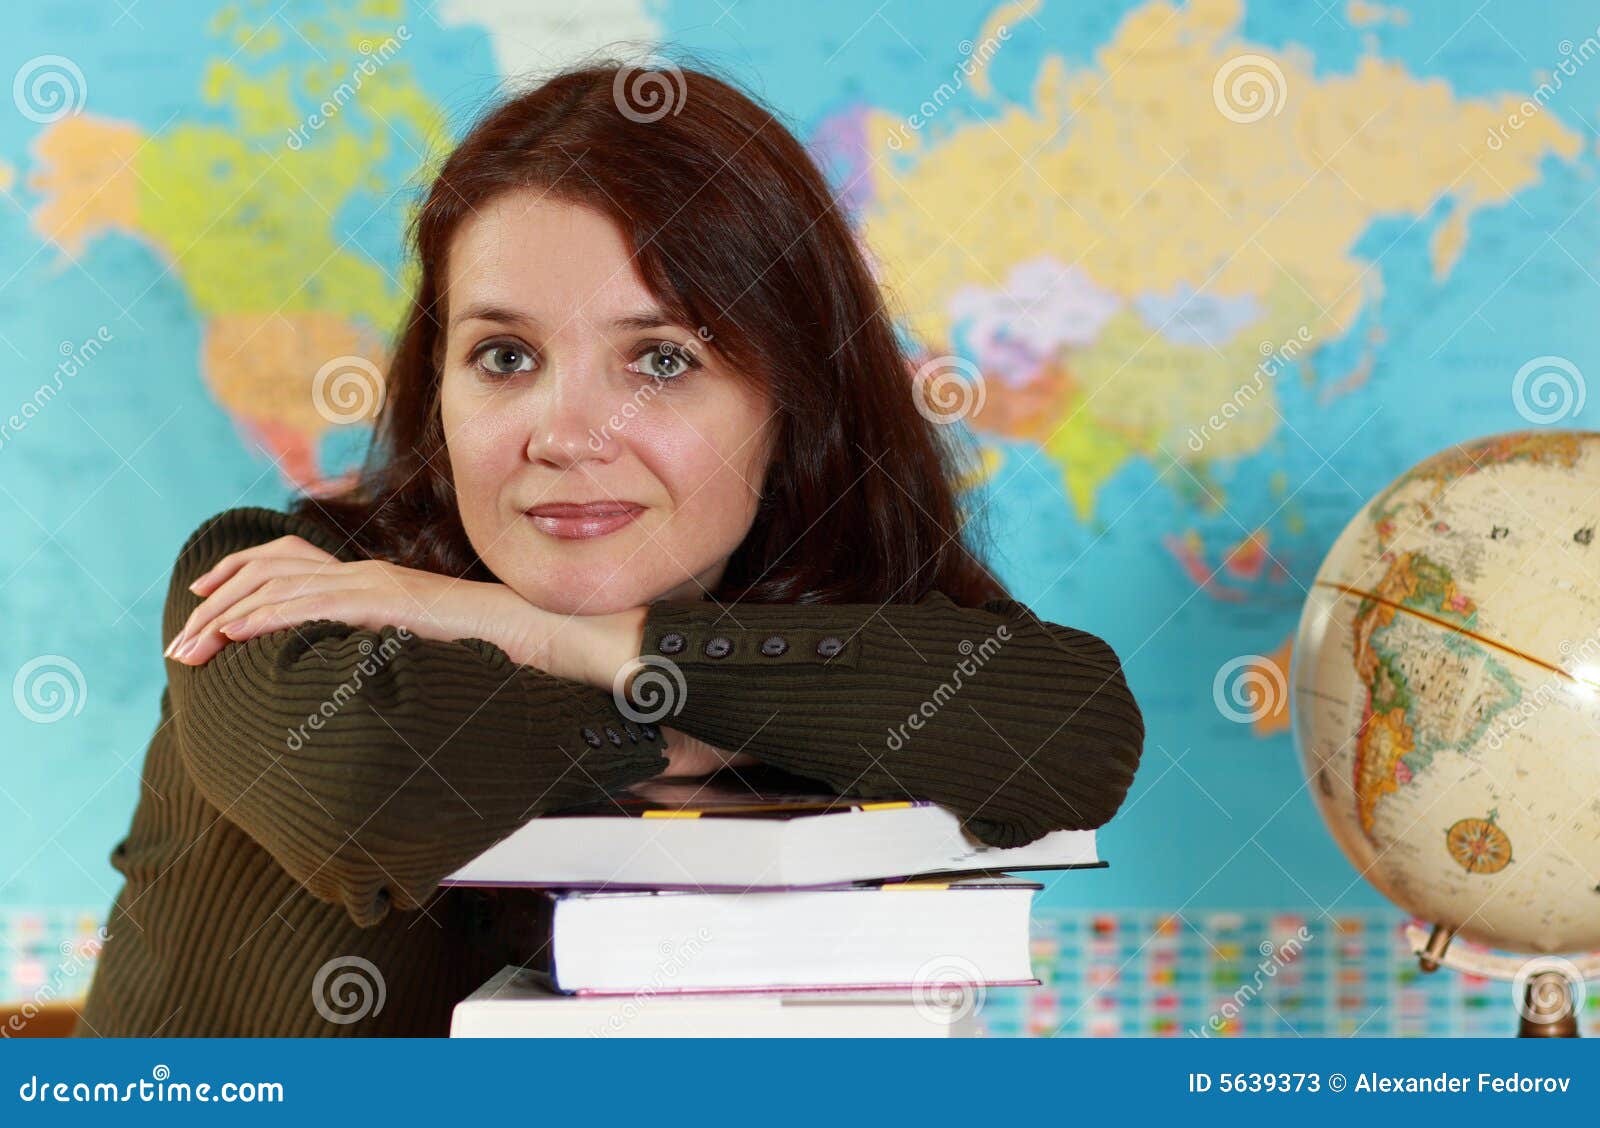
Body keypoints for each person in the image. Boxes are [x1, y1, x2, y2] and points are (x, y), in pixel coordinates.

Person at [74, 60, 1144, 1037]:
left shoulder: (848, 601)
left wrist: (550, 635)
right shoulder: (279, 581)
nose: (563, 435)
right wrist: (711, 713)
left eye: (663, 361)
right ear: (434, 381)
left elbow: (1071, 729)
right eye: (502, 355)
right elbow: (370, 786)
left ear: (791, 400)